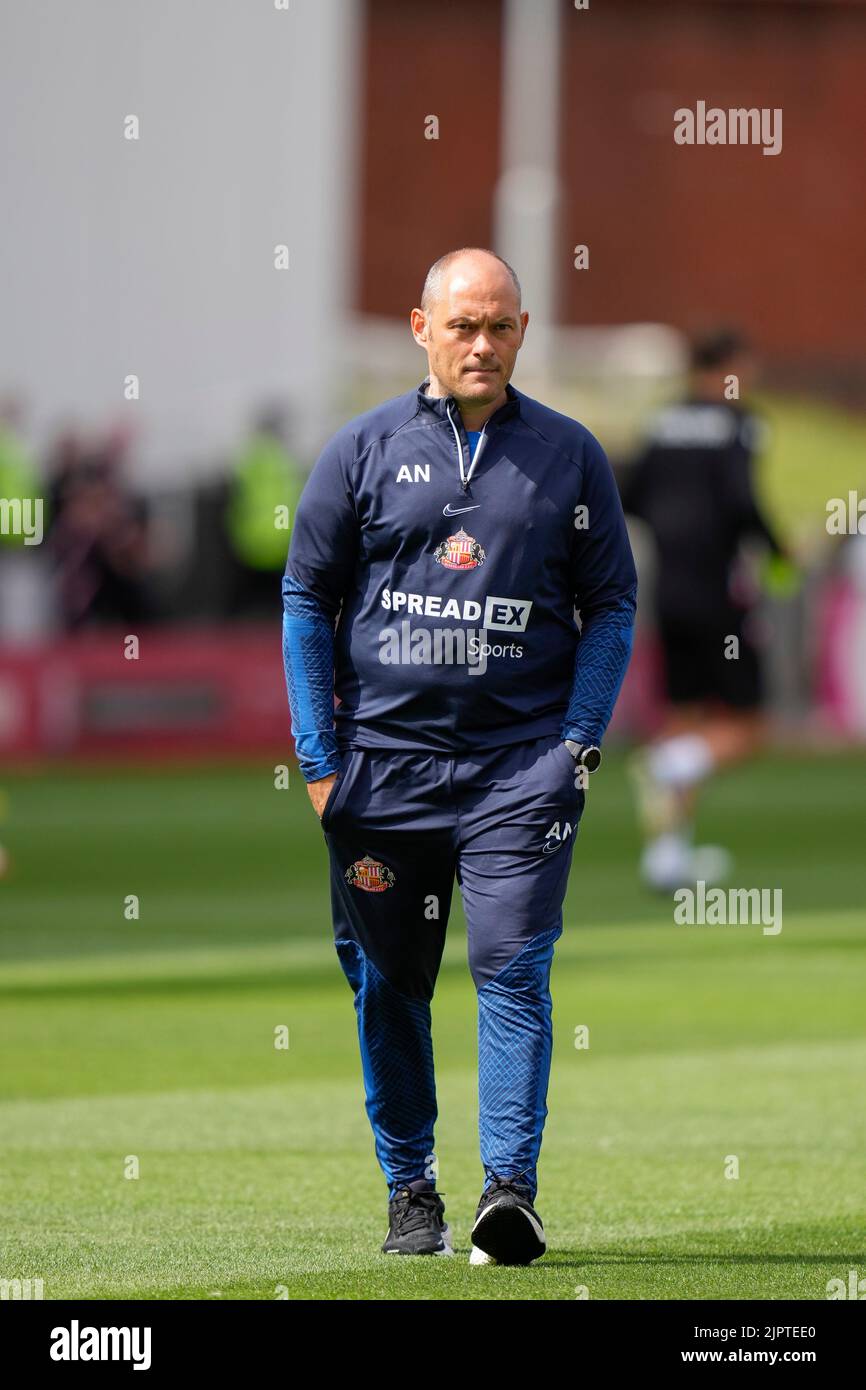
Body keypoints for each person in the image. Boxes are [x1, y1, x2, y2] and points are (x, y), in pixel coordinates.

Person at [281, 248, 637, 1264]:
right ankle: (411, 1193)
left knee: (513, 971)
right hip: (380, 771)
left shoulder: (570, 455)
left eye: (500, 326)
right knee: (388, 985)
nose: (482, 344)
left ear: (523, 331)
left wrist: (577, 744)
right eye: (463, 325)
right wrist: (319, 762)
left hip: (519, 771)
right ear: (420, 328)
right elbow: (306, 598)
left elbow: (611, 603)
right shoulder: (359, 450)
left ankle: (507, 1195)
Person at [621, 328, 788, 890]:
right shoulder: (739, 423)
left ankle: (666, 858)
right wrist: (780, 552)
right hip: (721, 593)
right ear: (729, 367)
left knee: (683, 719)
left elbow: (630, 496)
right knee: (749, 727)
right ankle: (669, 765)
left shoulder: (661, 422)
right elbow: (743, 500)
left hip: (669, 591)